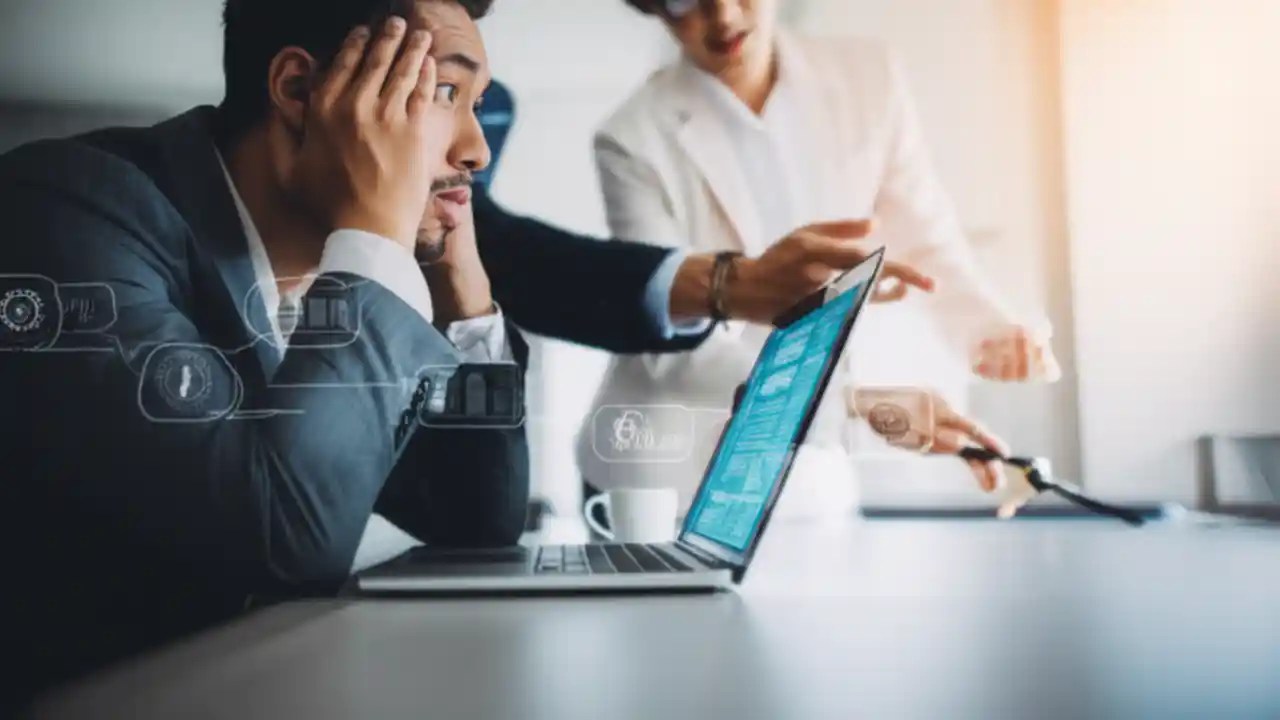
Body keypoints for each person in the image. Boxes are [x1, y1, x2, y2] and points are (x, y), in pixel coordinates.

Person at [0, 0, 931, 699]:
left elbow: (474, 522)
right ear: (298, 91)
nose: (476, 153)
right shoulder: (71, 211)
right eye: (445, 94)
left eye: (478, 104)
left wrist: (469, 296)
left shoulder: (328, 269)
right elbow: (278, 543)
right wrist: (373, 228)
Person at [576, 0, 1063, 516]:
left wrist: (989, 328)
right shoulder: (630, 139)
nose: (722, 17)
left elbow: (922, 233)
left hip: (810, 471)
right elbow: (669, 332)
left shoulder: (869, 79)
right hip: (667, 476)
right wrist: (857, 404)